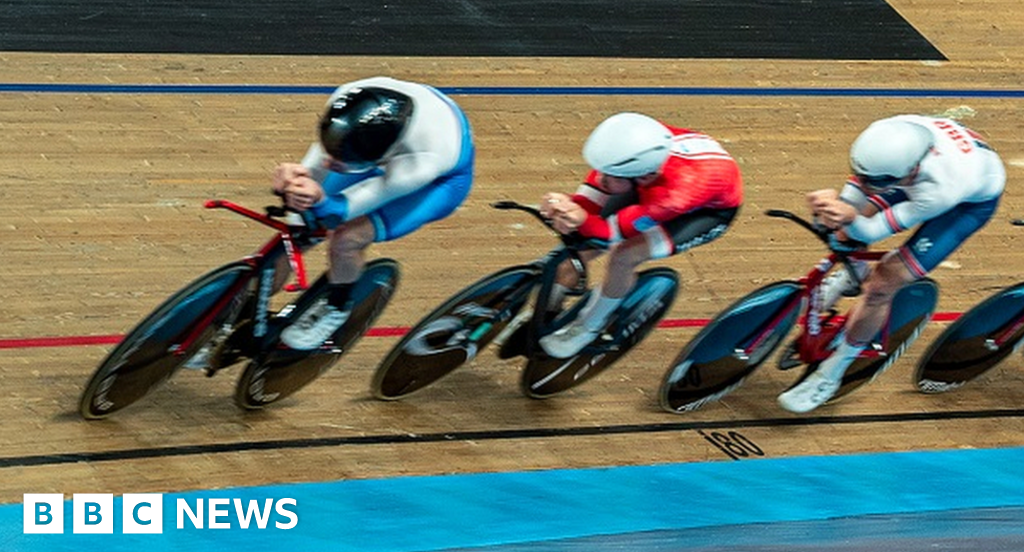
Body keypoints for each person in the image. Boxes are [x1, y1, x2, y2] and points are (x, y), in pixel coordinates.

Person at [778, 114, 1006, 413]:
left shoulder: (940, 188)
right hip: (935, 166)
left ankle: (832, 373)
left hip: (968, 203)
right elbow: (860, 190)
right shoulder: (885, 134)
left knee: (882, 285)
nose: (867, 185)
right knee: (846, 227)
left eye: (876, 183)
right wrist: (834, 208)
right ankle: (854, 271)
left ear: (911, 171)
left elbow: (872, 230)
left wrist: (848, 215)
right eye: (863, 176)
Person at [510, 112, 743, 359]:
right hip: (659, 180)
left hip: (704, 213)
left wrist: (579, 217)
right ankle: (546, 310)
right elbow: (594, 197)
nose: (600, 179)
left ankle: (589, 327)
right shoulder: (636, 146)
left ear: (643, 177)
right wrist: (570, 208)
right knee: (579, 243)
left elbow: (610, 233)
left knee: (623, 256)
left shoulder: (674, 195)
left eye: (609, 175)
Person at [274, 76, 475, 350]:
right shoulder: (347, 98)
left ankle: (336, 306)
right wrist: (295, 179)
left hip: (440, 184)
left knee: (346, 239)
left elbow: (340, 210)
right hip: (384, 141)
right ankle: (240, 302)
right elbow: (320, 162)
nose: (330, 162)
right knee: (298, 228)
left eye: (343, 159)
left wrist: (318, 198)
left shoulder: (422, 164)